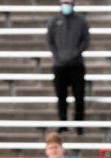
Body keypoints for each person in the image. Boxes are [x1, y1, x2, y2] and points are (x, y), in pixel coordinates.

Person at [47, 0, 89, 133]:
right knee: (61, 96)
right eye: (64, 2)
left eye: (69, 2)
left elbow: (85, 41)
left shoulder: (81, 21)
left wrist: (75, 53)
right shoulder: (54, 21)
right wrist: (58, 55)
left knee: (79, 95)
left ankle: (79, 124)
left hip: (76, 64)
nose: (66, 5)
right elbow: (50, 41)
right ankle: (63, 122)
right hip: (59, 65)